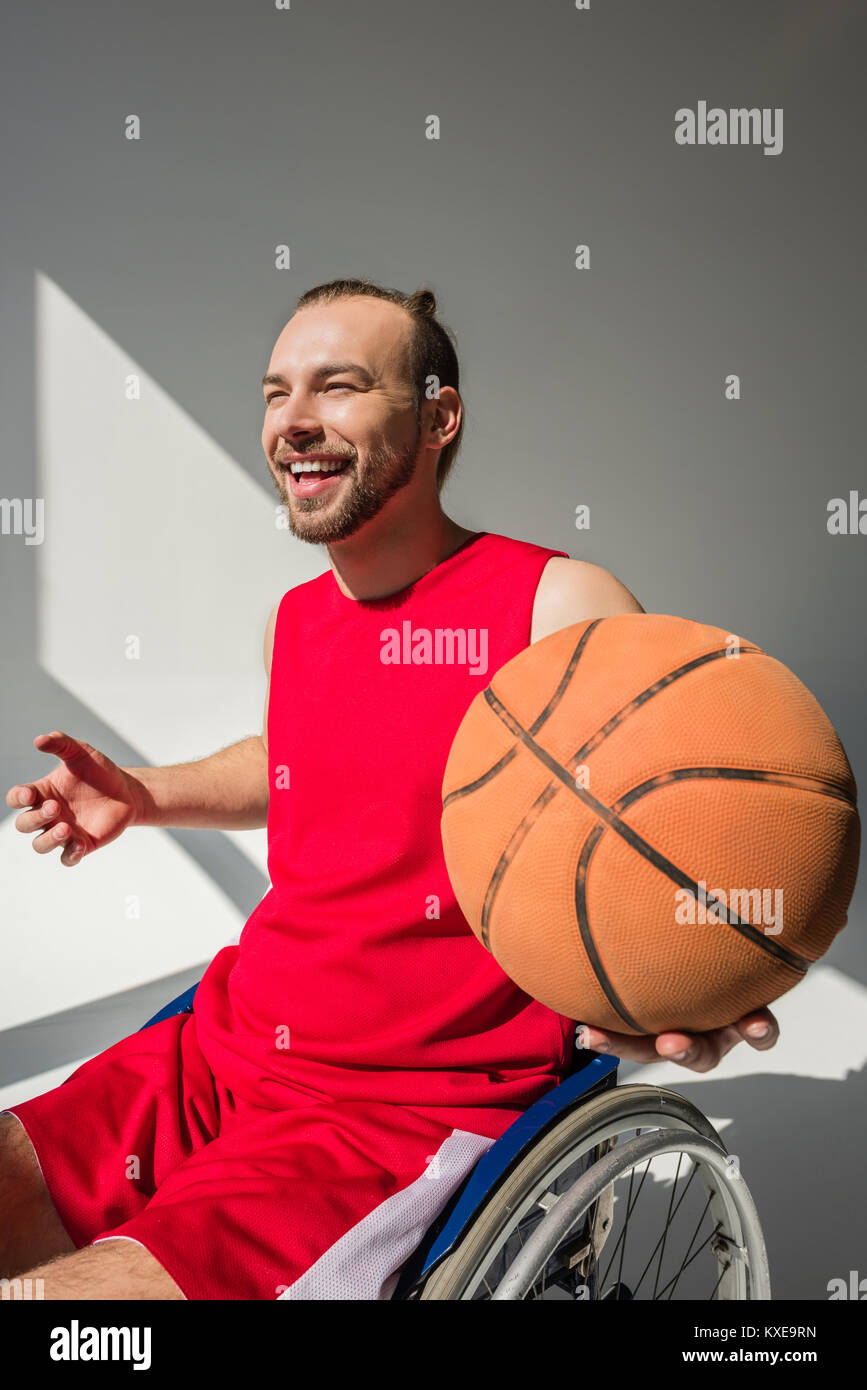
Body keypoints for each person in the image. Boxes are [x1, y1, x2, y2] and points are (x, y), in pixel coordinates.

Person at [0, 280, 779, 1300]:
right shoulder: (300, 615)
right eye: (277, 392)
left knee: (66, 1311)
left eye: (341, 386)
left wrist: (702, 968)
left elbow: (683, 819)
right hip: (225, 1045)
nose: (294, 420)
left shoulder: (557, 605)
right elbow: (292, 758)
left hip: (397, 1105)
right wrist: (142, 794)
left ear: (438, 415)